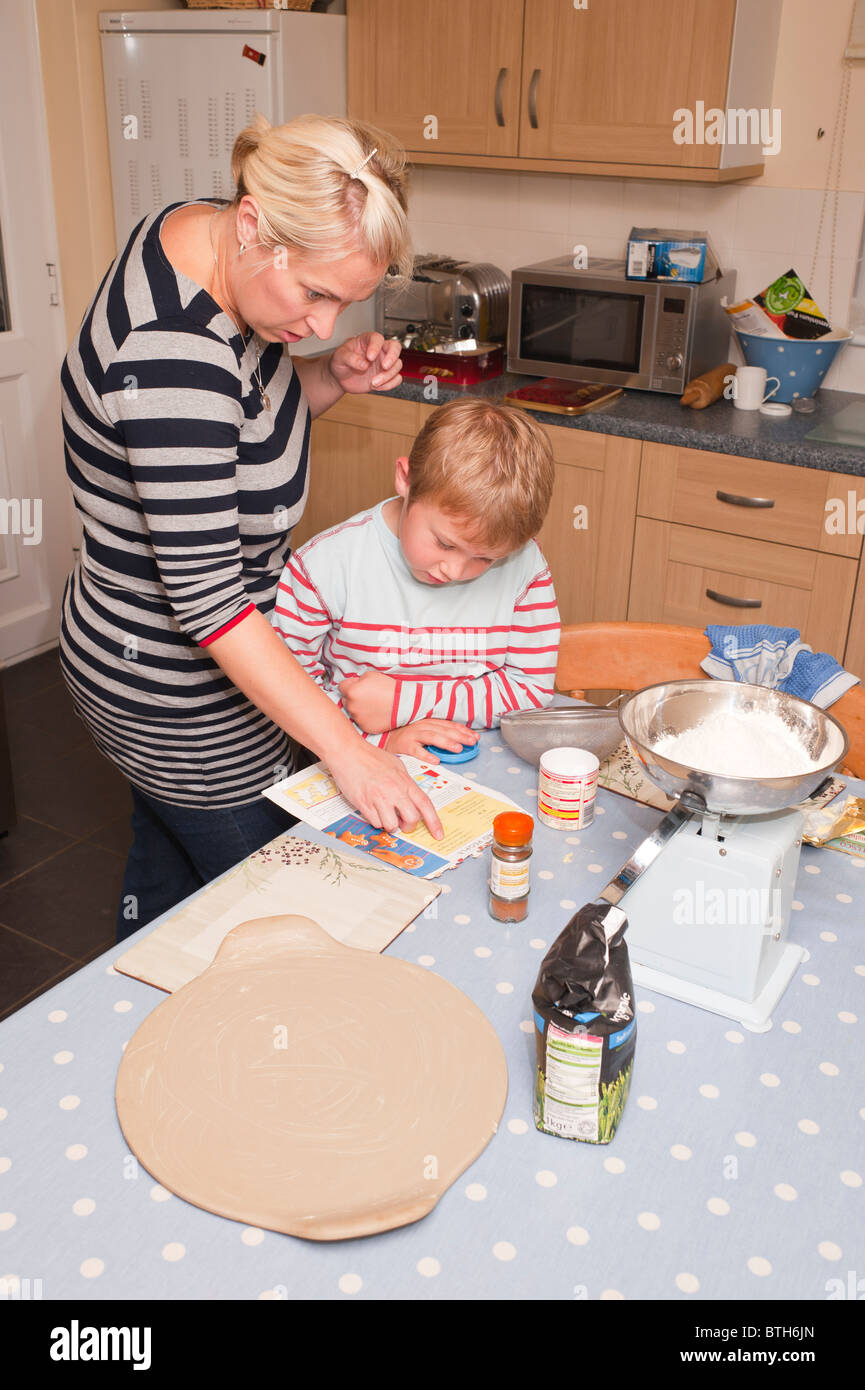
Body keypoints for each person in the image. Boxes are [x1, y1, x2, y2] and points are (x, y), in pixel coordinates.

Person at [58, 113, 444, 943]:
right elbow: (206, 602)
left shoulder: (201, 232)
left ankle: (137, 1030)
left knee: (170, 900)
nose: (325, 324)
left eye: (344, 302)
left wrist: (323, 378)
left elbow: (230, 431)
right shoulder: (171, 354)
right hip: (177, 695)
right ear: (251, 227)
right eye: (316, 295)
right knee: (287, 919)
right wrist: (349, 750)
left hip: (148, 667)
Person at [271, 398, 561, 759]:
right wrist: (381, 741)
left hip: (482, 763)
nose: (454, 571)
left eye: (485, 558)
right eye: (444, 543)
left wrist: (404, 704)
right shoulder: (324, 566)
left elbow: (530, 691)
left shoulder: (525, 567)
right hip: (354, 755)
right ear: (405, 479)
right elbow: (286, 689)